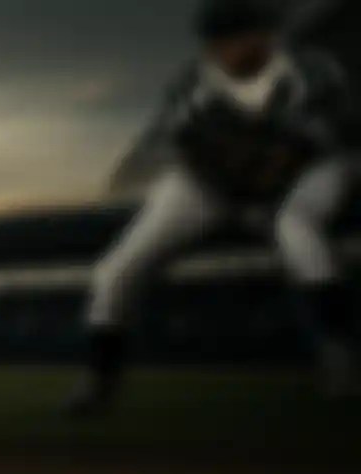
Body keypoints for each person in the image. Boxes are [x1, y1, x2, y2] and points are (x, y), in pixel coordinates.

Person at [69, 0, 357, 415]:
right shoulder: (194, 84)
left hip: (309, 173)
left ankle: (340, 359)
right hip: (217, 183)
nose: (227, 49)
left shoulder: (312, 70)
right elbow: (177, 147)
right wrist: (237, 167)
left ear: (264, 36)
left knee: (298, 231)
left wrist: (273, 161)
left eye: (238, 36)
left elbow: (334, 134)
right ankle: (98, 383)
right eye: (219, 41)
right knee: (114, 271)